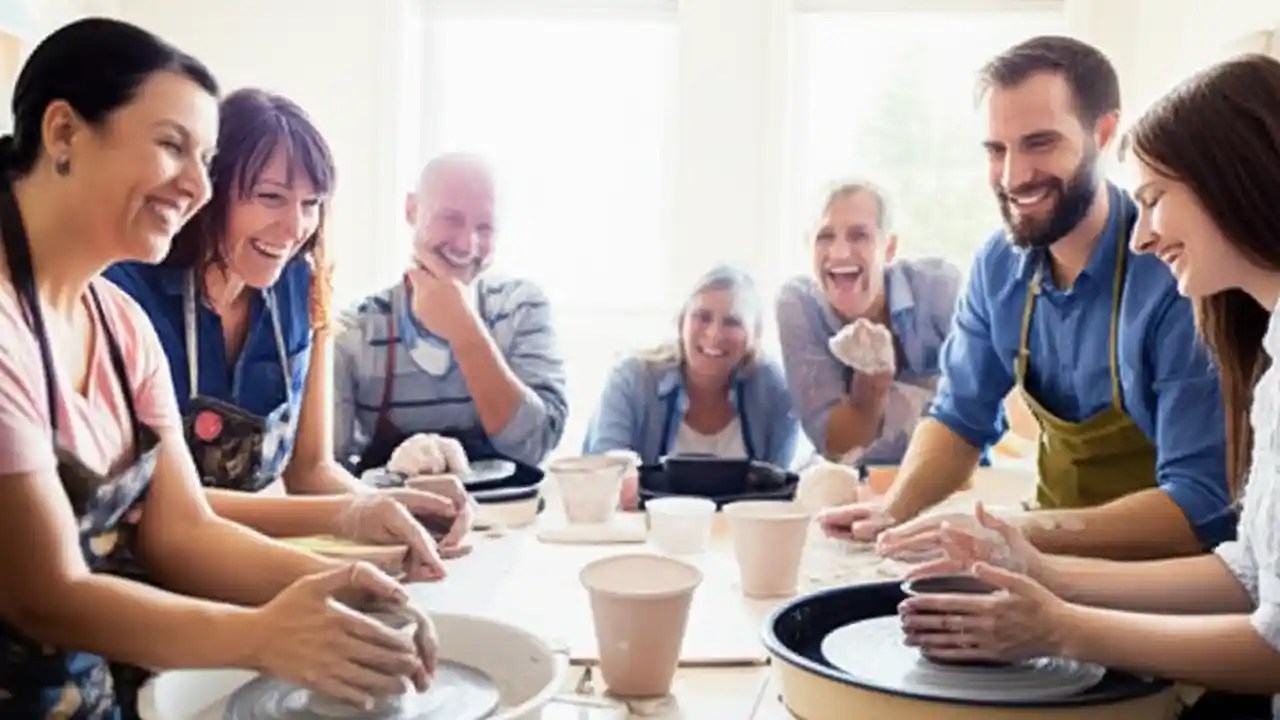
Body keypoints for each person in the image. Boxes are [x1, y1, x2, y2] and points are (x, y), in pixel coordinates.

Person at [0, 18, 432, 719]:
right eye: (174, 146)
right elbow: (43, 594)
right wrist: (265, 635)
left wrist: (350, 587)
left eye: (206, 159)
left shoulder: (120, 325)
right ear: (63, 133)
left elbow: (183, 532)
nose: (199, 186)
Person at [895, 54, 1280, 720]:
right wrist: (1034, 568)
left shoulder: (1179, 296)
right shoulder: (1274, 361)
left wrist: (1060, 617)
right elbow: (1247, 575)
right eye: (996, 149)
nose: (1145, 234)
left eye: (1157, 197)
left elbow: (1261, 622)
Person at [820, 35, 1233, 560]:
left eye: (1040, 143)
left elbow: (1199, 505)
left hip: (1169, 583)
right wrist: (892, 509)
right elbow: (958, 418)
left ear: (1102, 134)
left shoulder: (1175, 276)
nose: (1013, 177)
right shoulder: (998, 266)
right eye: (997, 150)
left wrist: (1013, 530)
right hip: (1046, 564)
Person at [104, 89, 472, 584]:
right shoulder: (127, 292)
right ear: (210, 188)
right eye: (270, 197)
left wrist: (396, 507)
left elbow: (311, 470)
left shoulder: (301, 284)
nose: (294, 226)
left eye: (311, 203)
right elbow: (153, 502)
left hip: (244, 568)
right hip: (136, 583)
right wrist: (349, 516)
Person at [334, 153, 568, 478]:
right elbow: (327, 475)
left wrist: (464, 329)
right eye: (451, 219)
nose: (466, 244)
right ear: (412, 210)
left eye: (484, 228)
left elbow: (535, 445)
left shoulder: (522, 309)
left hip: (507, 523)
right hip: (393, 522)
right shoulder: (355, 332)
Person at [776, 180, 962, 465]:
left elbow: (975, 413)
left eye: (858, 235)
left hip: (949, 473)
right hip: (859, 480)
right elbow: (835, 445)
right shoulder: (800, 305)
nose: (839, 253)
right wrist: (872, 384)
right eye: (825, 236)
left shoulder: (939, 288)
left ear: (889, 248)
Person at [584, 265, 798, 504]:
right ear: (681, 323)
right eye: (703, 317)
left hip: (743, 535)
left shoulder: (776, 391)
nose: (715, 334)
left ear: (754, 336)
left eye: (732, 322)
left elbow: (779, 496)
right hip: (645, 532)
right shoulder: (633, 378)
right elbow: (602, 476)